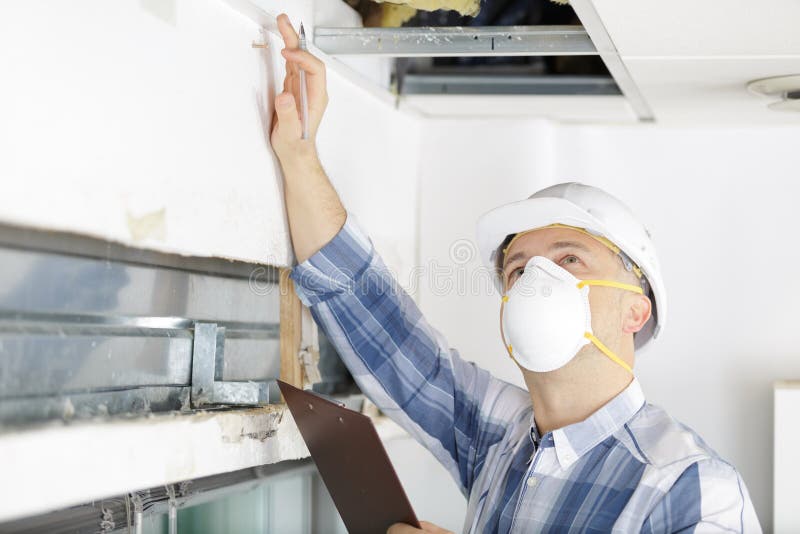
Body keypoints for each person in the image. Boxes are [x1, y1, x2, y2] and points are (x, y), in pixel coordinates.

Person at [271, 13, 761, 533]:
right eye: (519, 270)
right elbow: (382, 329)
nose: (537, 284)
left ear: (636, 309)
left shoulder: (688, 487)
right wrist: (300, 157)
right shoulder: (500, 439)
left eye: (570, 259)